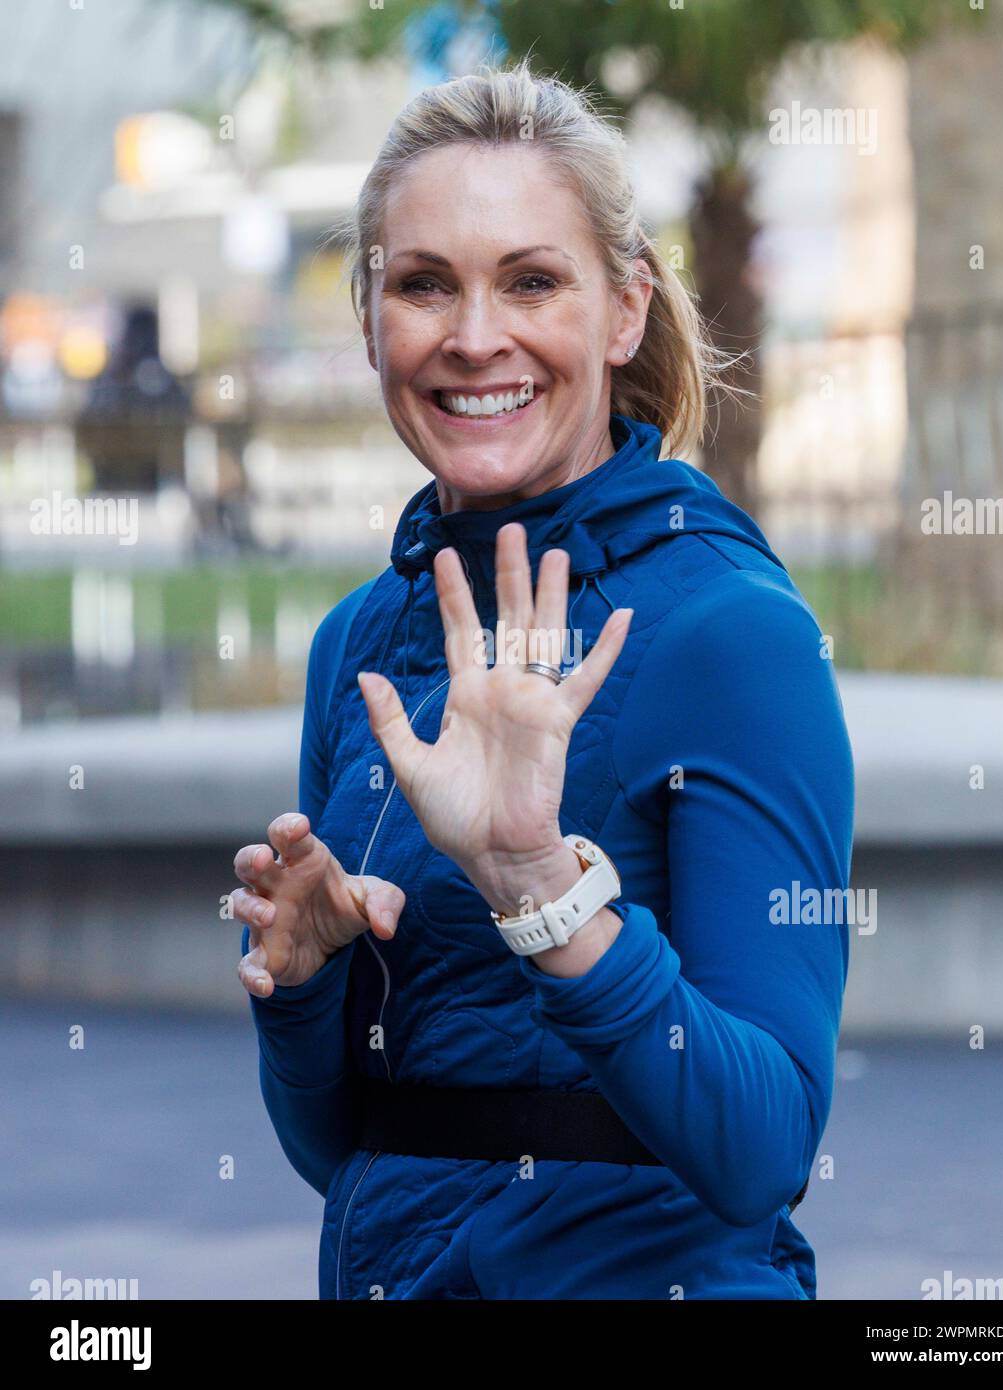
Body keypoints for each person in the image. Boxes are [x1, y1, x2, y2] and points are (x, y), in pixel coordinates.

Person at [233, 59, 854, 1301]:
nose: (474, 337)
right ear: (368, 320)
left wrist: (537, 887)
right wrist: (302, 988)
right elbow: (351, 1152)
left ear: (623, 311)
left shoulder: (732, 634)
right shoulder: (357, 644)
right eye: (423, 285)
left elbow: (766, 1149)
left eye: (531, 280)